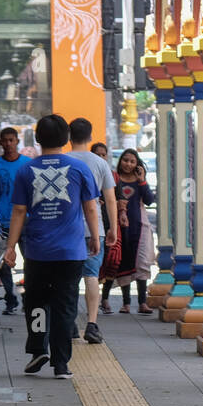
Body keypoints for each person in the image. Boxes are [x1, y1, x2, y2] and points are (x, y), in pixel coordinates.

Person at [4, 114, 101, 380]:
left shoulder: (26, 170)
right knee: (65, 305)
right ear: (66, 138)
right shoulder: (80, 169)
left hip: (37, 251)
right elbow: (90, 207)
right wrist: (94, 237)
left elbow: (19, 211)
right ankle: (61, 364)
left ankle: (38, 349)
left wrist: (10, 246)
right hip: (71, 251)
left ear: (37, 139)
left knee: (36, 301)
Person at [65, 118, 119, 344]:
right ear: (89, 137)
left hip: (66, 228)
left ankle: (68, 326)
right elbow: (110, 199)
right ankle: (92, 324)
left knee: (67, 279)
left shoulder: (61, 160)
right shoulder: (99, 162)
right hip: (93, 227)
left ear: (69, 136)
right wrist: (112, 229)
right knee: (91, 277)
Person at [0, 127, 32, 315]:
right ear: (0, 142)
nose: (9, 144)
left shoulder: (27, 164)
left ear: (17, 141)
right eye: (5, 140)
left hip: (26, 221)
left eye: (12, 140)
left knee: (30, 260)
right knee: (3, 262)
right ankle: (10, 299)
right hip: (2, 221)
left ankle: (28, 297)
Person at [102, 149, 155, 314]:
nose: (128, 164)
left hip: (141, 227)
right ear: (120, 161)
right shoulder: (114, 179)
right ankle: (126, 303)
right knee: (123, 262)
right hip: (119, 227)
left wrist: (142, 181)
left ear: (137, 164)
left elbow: (149, 200)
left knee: (142, 262)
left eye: (132, 161)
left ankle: (142, 302)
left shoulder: (140, 181)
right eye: (125, 160)